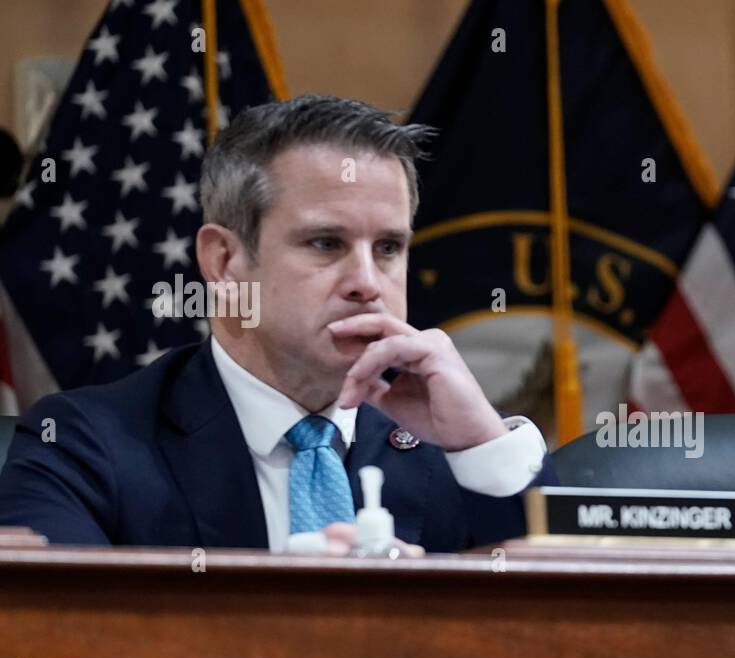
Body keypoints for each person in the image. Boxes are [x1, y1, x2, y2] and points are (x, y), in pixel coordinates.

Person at [0, 95, 553, 552]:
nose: (367, 281)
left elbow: (585, 637)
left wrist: (481, 444)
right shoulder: (82, 448)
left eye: (388, 247)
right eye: (325, 243)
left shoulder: (458, 451)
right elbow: (58, 641)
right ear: (223, 261)